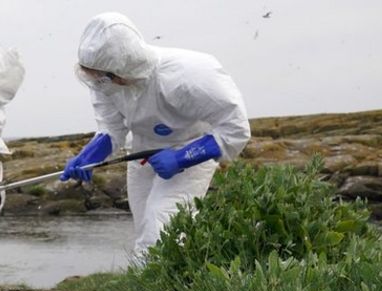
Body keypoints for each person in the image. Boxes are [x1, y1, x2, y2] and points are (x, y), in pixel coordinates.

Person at [61, 12, 251, 261]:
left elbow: (235, 130)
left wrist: (182, 158)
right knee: (145, 226)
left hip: (191, 146)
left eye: (100, 76)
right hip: (142, 152)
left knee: (161, 224)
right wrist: (88, 156)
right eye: (91, 75)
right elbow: (112, 128)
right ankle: (164, 287)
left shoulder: (191, 76)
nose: (96, 83)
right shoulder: (104, 82)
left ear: (123, 67)